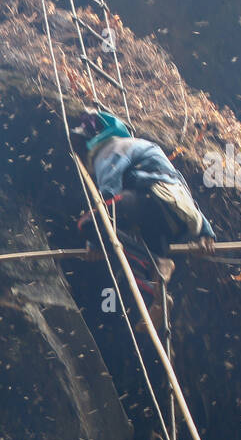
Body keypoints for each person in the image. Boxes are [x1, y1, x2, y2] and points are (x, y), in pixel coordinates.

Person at [71, 110, 215, 333]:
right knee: (126, 267)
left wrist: (96, 240)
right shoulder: (142, 146)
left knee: (88, 224)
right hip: (172, 219)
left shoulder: (108, 149)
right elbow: (181, 186)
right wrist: (205, 230)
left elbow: (109, 192)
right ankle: (158, 296)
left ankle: (159, 264)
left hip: (151, 200)